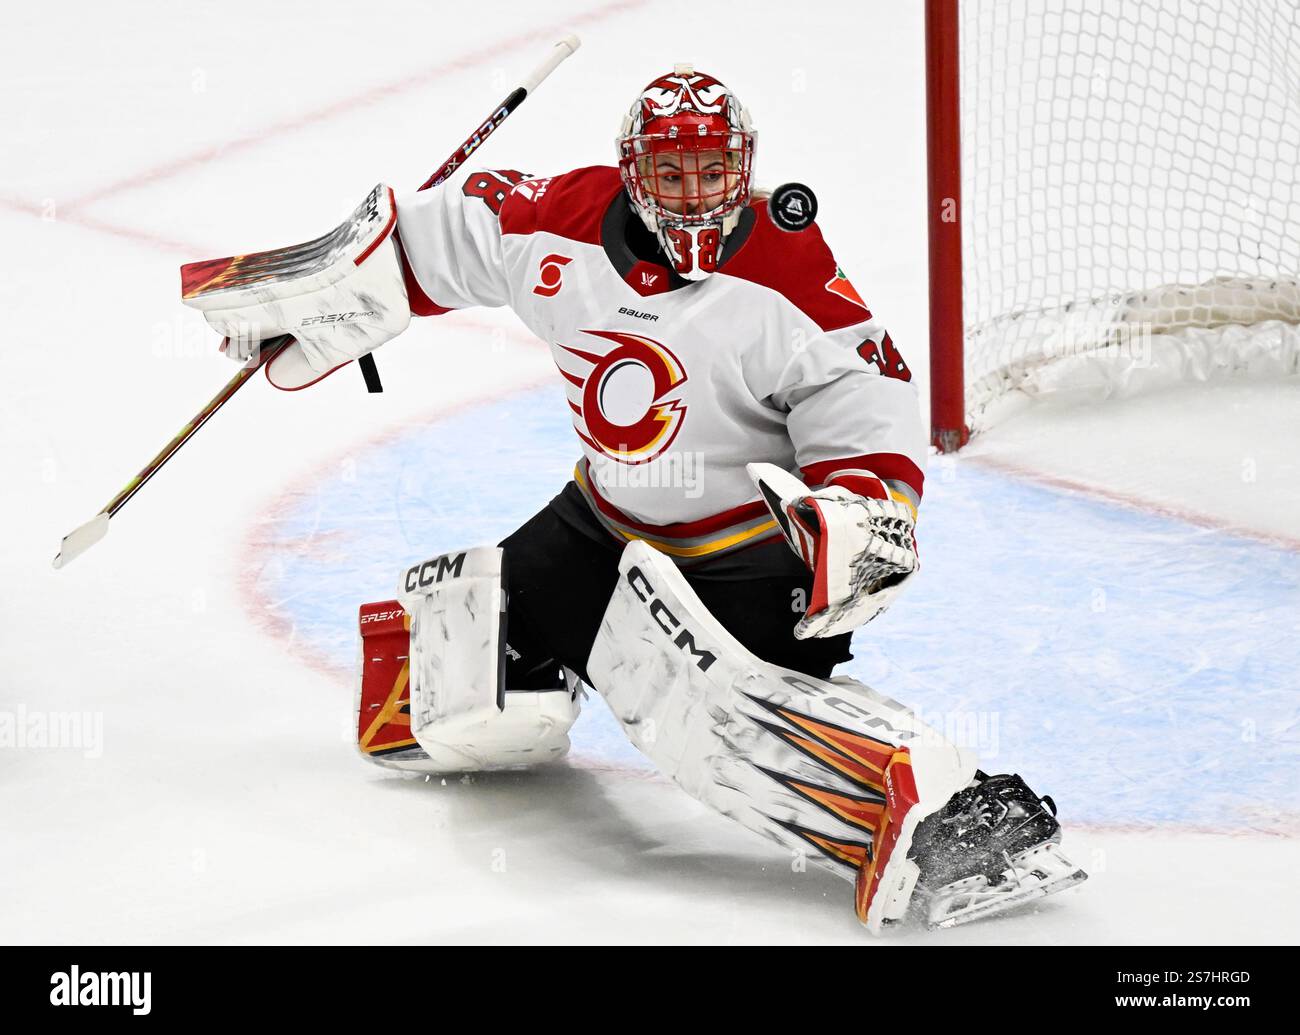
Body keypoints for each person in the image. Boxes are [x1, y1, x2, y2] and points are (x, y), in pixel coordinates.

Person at [183, 66, 1085, 933]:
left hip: (739, 561)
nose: (692, 193)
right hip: (603, 521)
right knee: (464, 674)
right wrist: (343, 290)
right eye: (670, 170)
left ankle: (958, 817)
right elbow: (437, 236)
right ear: (631, 170)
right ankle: (548, 677)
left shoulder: (790, 272)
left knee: (712, 721)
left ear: (745, 168)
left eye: (710, 170)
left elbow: (867, 400)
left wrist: (854, 512)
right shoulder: (562, 223)